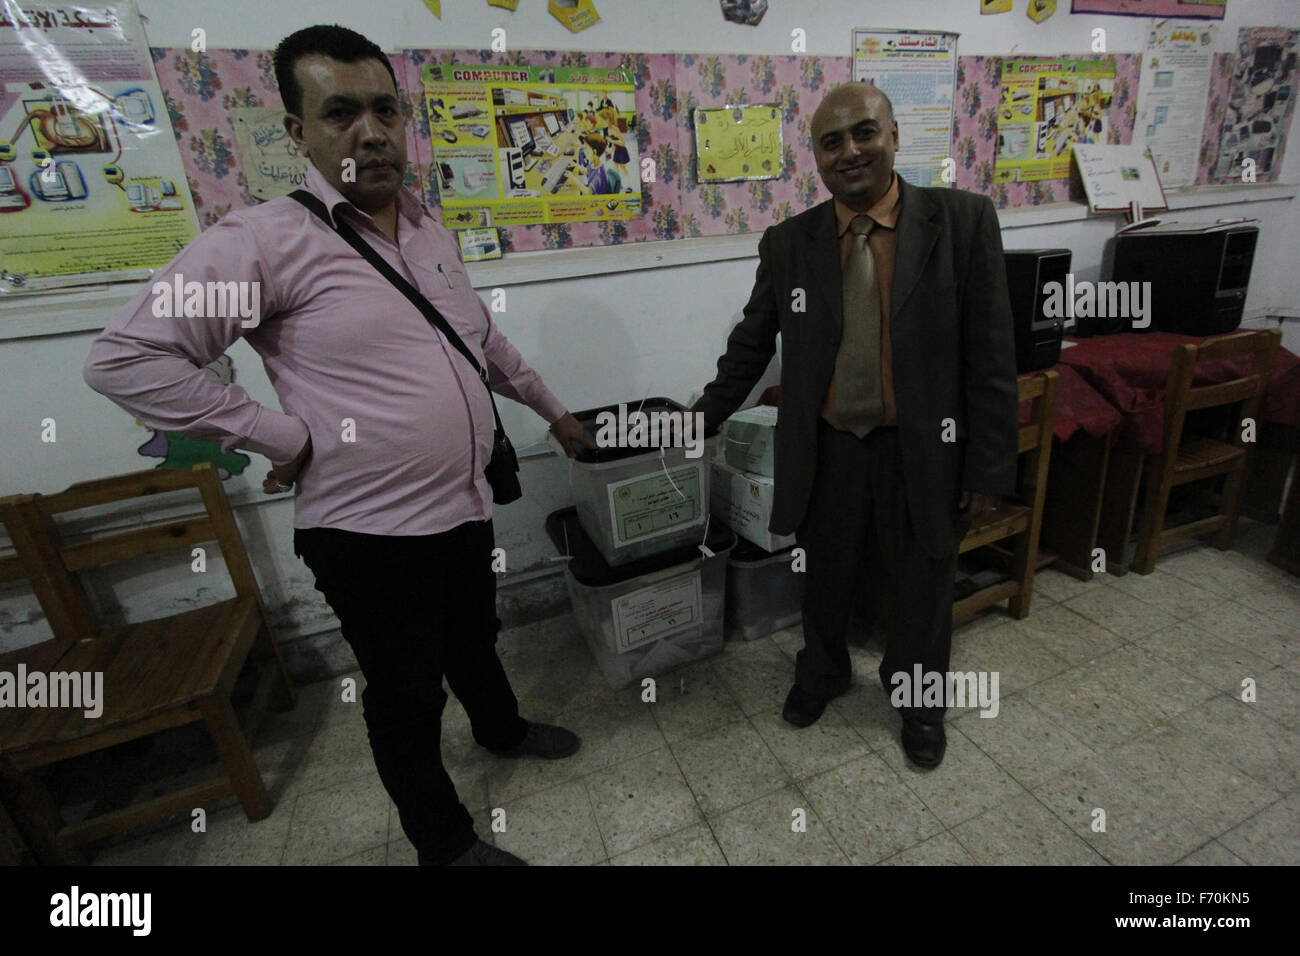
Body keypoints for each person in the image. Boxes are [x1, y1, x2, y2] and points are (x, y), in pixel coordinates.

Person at [83, 24, 593, 864]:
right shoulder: (262, 241)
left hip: (464, 504)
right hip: (368, 534)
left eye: (385, 110)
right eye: (340, 113)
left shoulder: (428, 229)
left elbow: (482, 342)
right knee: (406, 697)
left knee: (475, 639)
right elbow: (125, 357)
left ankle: (501, 730)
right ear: (299, 132)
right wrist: (276, 432)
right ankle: (445, 844)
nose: (371, 132)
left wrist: (554, 411)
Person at [692, 82, 1018, 769]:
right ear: (815, 155)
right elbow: (751, 345)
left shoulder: (963, 222)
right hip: (829, 448)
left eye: (864, 132)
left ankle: (918, 700)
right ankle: (822, 672)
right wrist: (697, 421)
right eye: (831, 141)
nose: (850, 152)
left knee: (924, 588)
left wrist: (989, 469)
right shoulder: (789, 244)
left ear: (894, 136)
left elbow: (992, 355)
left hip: (925, 450)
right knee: (824, 577)